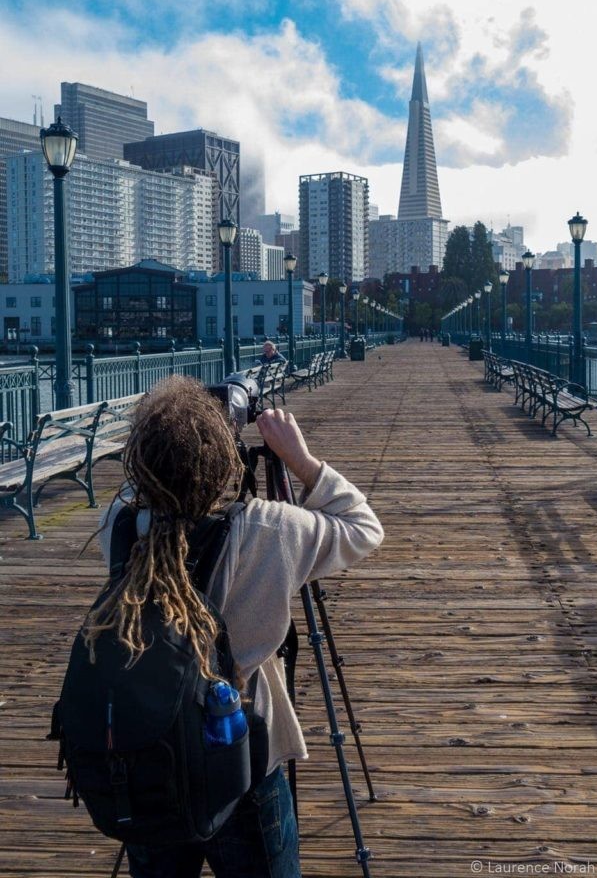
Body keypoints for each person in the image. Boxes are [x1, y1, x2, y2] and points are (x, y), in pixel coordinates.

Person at [87, 376, 384, 878]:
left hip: (146, 758)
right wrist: (300, 461)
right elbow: (363, 527)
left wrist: (171, 438)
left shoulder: (119, 524)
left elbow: (149, 494)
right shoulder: (268, 530)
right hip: (240, 755)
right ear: (225, 458)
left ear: (141, 456)